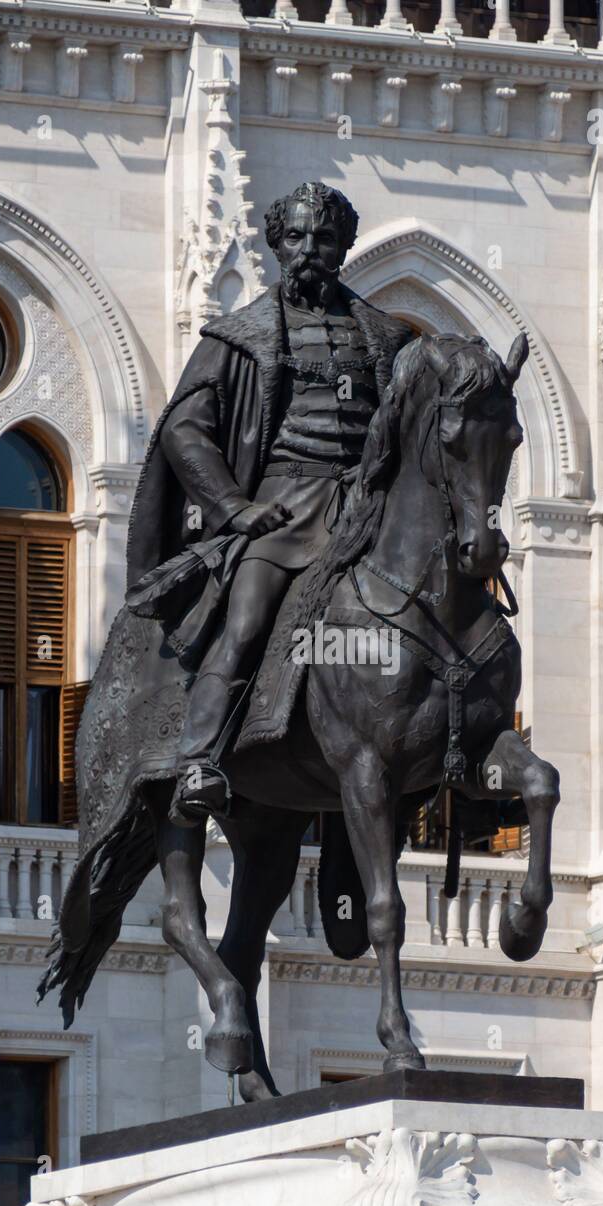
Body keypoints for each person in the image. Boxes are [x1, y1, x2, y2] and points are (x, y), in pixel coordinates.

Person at [121, 181, 415, 827]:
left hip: (367, 514)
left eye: (325, 238)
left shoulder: (387, 341)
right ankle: (199, 760)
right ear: (277, 244)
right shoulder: (240, 336)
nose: (310, 249)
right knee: (248, 622)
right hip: (282, 509)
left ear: (345, 247)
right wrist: (234, 507)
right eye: (297, 236)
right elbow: (182, 430)